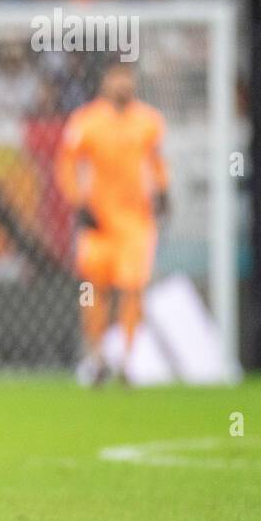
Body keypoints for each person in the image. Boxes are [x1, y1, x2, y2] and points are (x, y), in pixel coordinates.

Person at [55, 62, 169, 385]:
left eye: (127, 76)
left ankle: (129, 359)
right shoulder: (85, 122)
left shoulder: (149, 122)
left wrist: (163, 192)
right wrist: (78, 202)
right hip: (99, 221)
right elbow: (66, 164)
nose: (122, 82)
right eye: (116, 75)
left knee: (132, 289)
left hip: (135, 222)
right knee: (93, 290)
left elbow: (158, 163)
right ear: (105, 81)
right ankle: (96, 357)